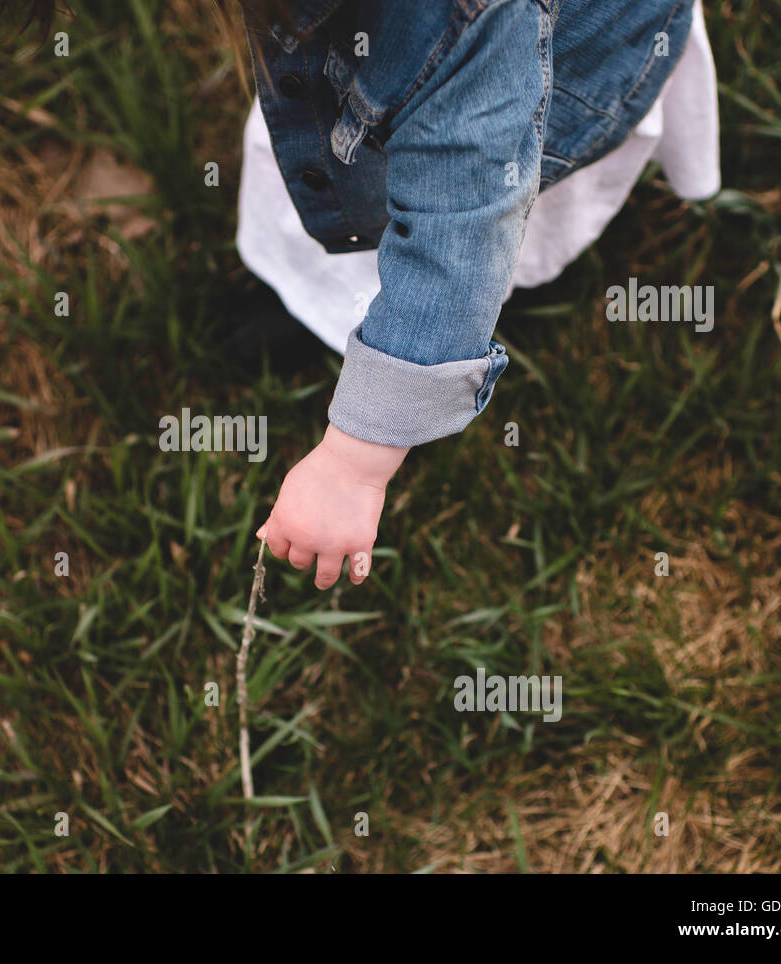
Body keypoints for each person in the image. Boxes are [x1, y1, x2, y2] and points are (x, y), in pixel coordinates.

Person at [239, 0, 719, 589]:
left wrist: (353, 463)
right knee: (366, 166)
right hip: (417, 68)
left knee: (489, 233)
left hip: (531, 90)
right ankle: (320, 298)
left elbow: (461, 221)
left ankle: (498, 304)